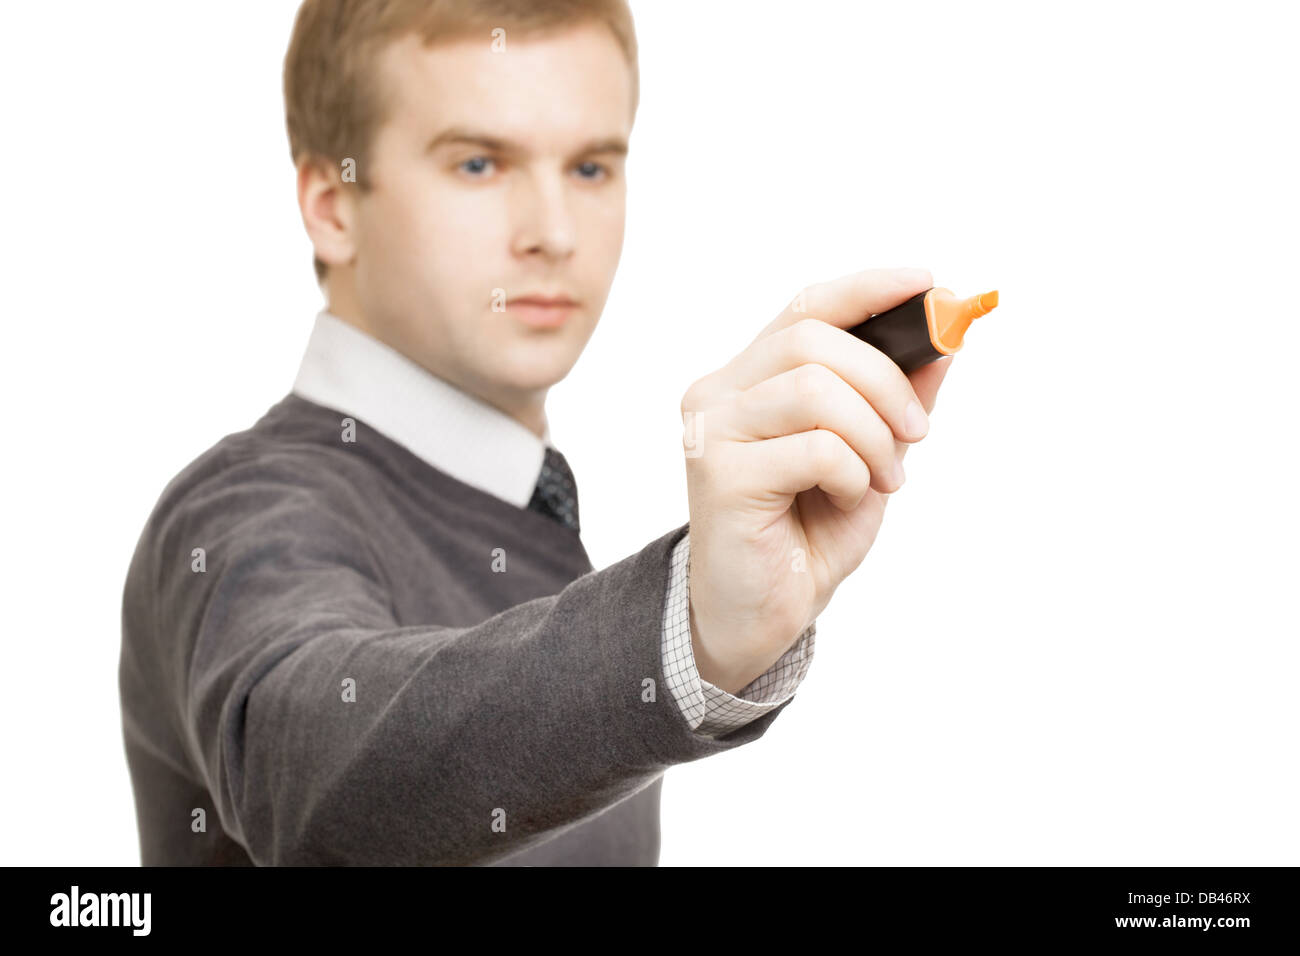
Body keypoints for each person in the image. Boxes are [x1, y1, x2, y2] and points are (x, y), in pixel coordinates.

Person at [118, 0, 950, 866]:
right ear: (332, 204)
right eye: (480, 163)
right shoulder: (240, 516)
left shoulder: (531, 525)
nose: (553, 234)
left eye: (591, 168)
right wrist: (689, 622)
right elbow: (316, 784)